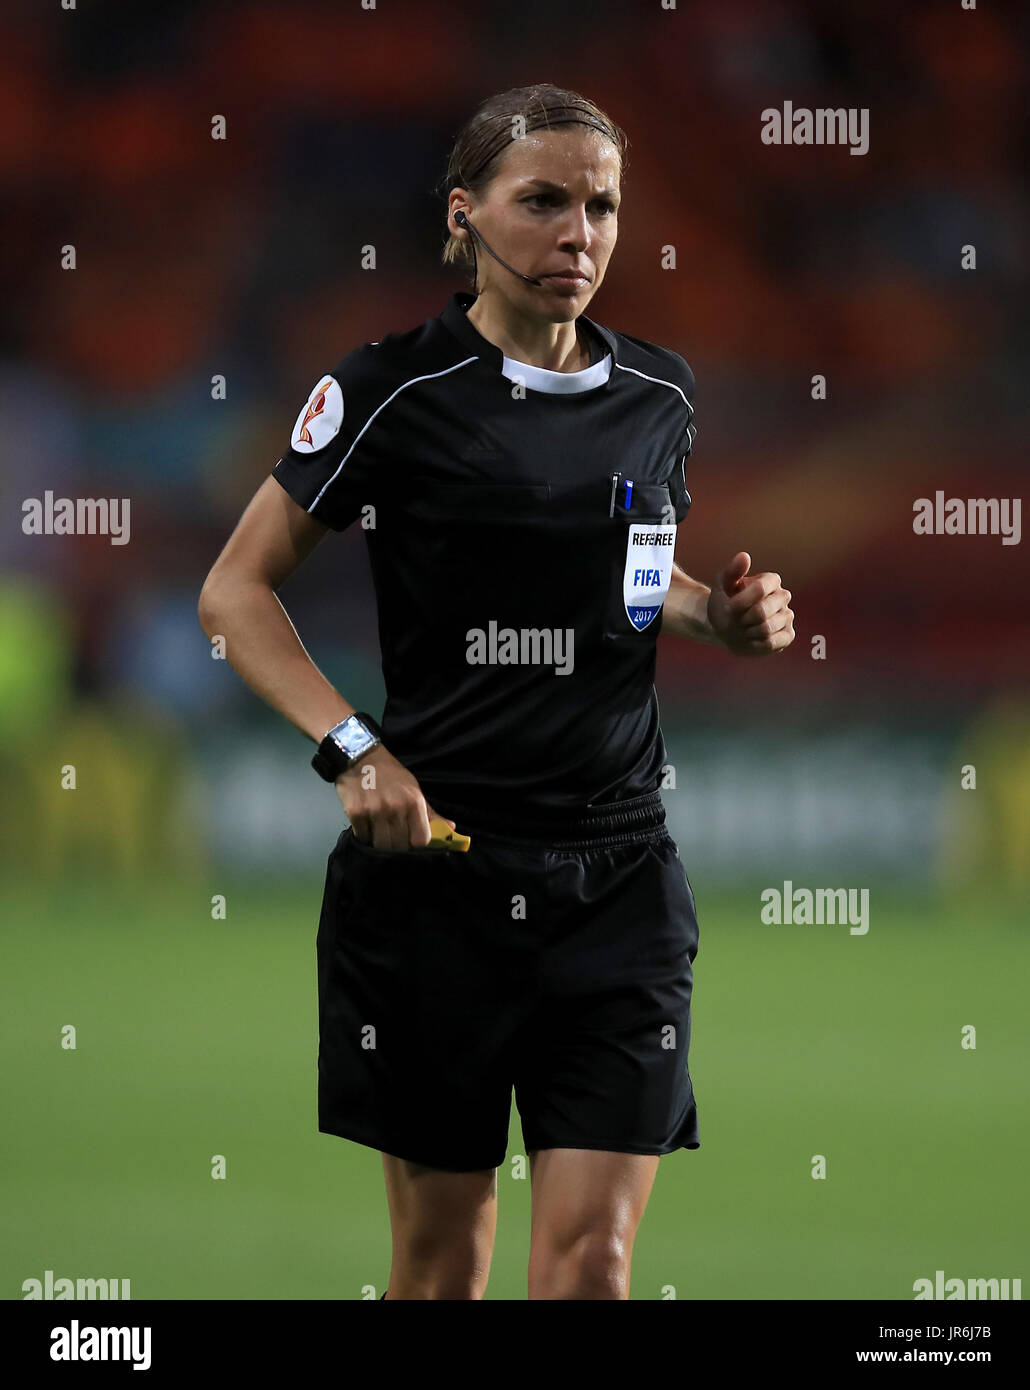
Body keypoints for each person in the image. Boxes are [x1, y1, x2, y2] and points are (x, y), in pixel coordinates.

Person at [197, 83, 795, 1301]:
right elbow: (234, 593)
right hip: (440, 880)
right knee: (440, 1270)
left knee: (594, 1266)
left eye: (603, 206)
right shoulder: (390, 390)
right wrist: (355, 750)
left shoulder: (661, 396)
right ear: (464, 215)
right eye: (545, 201)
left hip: (620, 880)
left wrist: (715, 615)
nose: (580, 233)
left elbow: (635, 577)